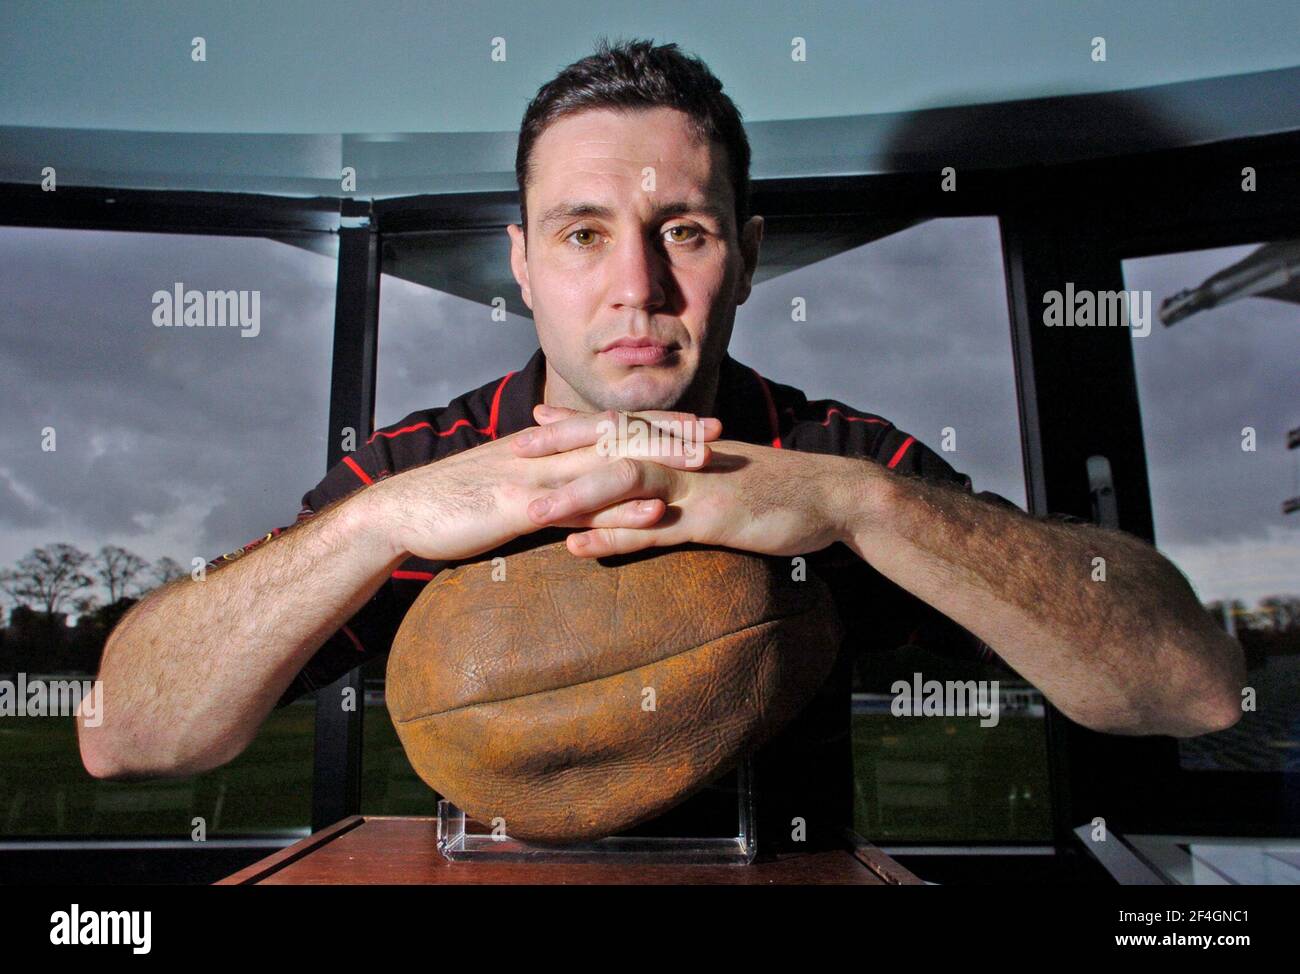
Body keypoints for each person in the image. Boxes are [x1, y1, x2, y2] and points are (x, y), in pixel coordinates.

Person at [77, 38, 1245, 853]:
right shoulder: (415, 466)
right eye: (583, 233)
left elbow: (1190, 685)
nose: (636, 287)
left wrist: (859, 511)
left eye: (679, 230)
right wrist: (378, 523)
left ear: (743, 252)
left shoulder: (833, 455)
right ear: (523, 264)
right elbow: (125, 733)